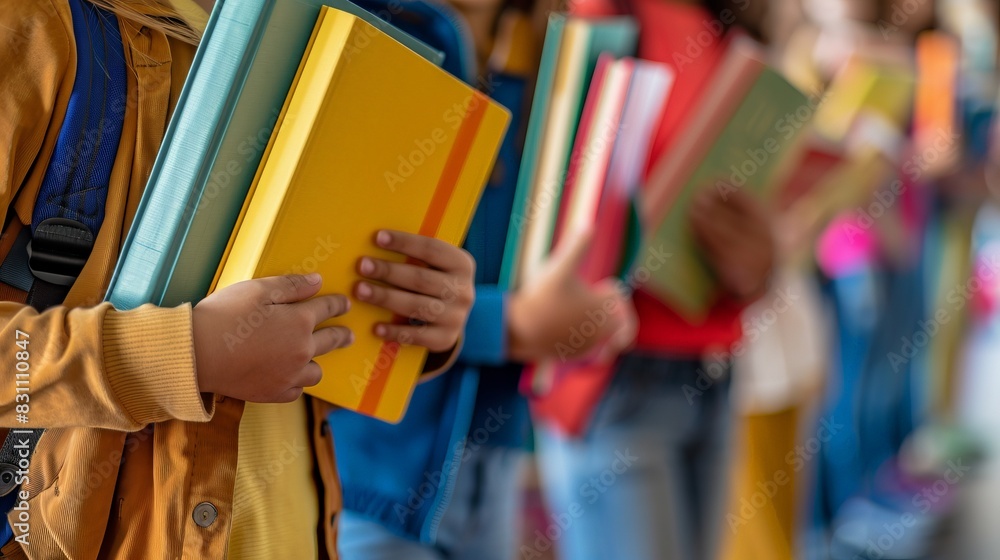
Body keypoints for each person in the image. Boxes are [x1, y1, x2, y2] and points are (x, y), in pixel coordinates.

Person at [0, 1, 476, 558]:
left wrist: (417, 318)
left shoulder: (328, 28)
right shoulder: (31, 29)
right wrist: (188, 355)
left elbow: (291, 365)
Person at [329, 1, 637, 559]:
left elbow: (556, 250)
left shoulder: (548, 53)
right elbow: (350, 283)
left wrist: (595, 308)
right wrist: (510, 325)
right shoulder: (376, 28)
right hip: (368, 482)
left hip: (491, 470)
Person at [531, 1, 779, 559]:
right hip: (617, 372)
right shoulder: (599, 14)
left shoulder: (726, 22)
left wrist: (760, 261)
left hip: (713, 367)